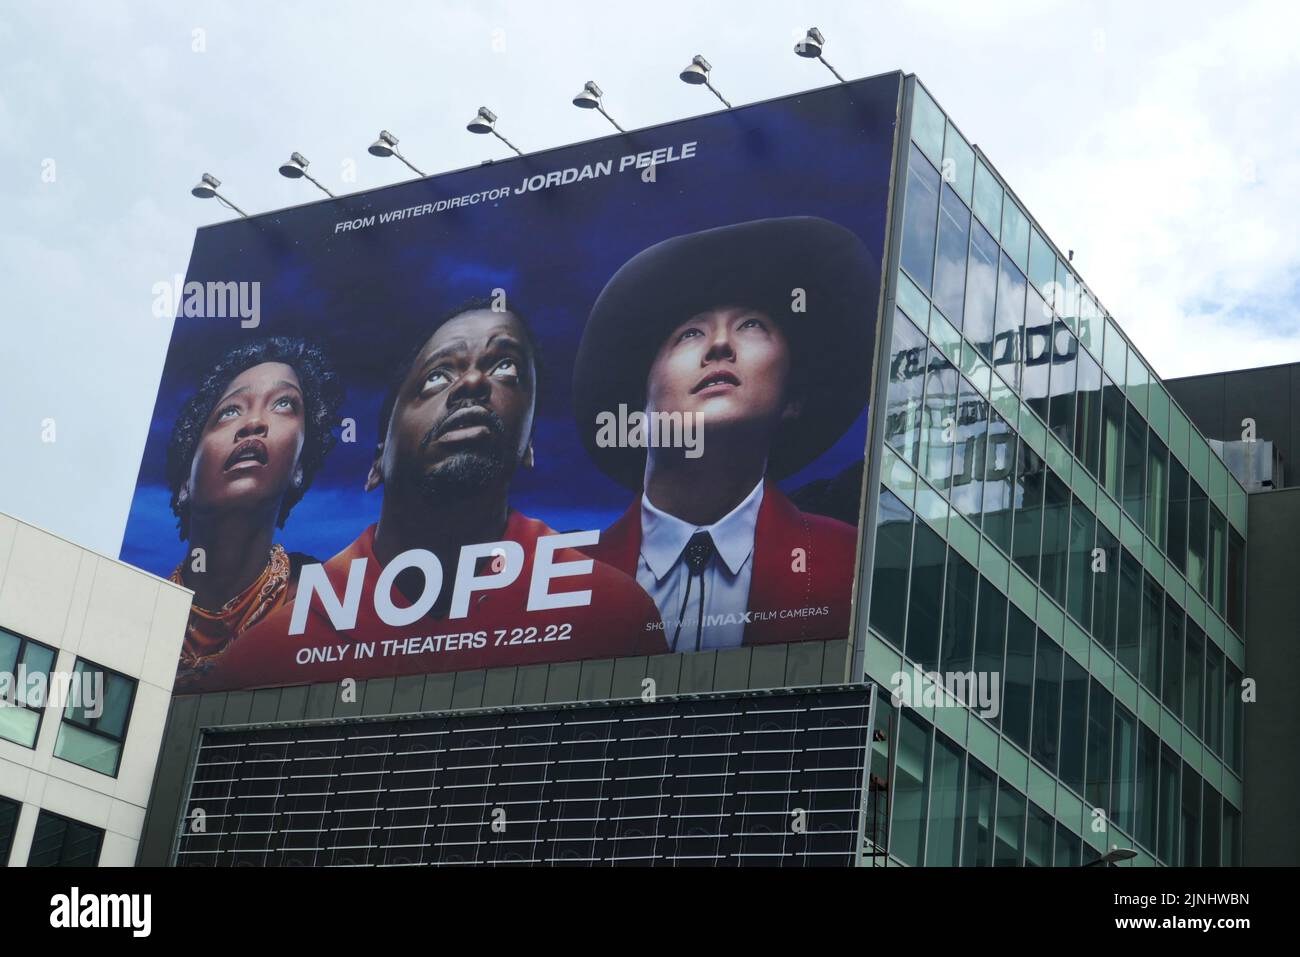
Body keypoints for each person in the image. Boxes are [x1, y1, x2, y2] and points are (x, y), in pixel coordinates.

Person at [199, 299, 665, 691]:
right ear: (377, 460)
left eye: (506, 368)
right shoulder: (271, 652)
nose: (474, 382)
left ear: (528, 444)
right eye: (438, 376)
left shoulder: (609, 612)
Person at [572, 216, 877, 652]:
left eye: (752, 325)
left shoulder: (850, 564)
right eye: (689, 333)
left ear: (792, 398)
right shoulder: (569, 579)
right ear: (640, 402)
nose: (719, 345)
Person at [166, 337, 343, 688]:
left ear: (299, 469)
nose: (254, 423)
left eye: (282, 404)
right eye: (231, 410)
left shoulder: (328, 603)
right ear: (185, 482)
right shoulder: (138, 616)